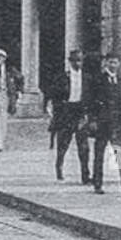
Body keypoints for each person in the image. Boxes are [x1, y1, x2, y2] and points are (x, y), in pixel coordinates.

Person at [91, 53, 121, 196]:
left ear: (119, 64)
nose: (112, 65)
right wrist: (93, 120)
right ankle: (98, 184)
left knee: (120, 155)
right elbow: (91, 100)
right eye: (110, 62)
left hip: (118, 123)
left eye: (115, 62)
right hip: (102, 123)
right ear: (105, 63)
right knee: (99, 154)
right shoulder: (98, 80)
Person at [47, 49, 91, 183]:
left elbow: (89, 97)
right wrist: (58, 112)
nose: (78, 63)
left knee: (84, 146)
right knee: (63, 144)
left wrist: (86, 113)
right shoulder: (62, 77)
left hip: (80, 111)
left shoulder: (87, 78)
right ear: (70, 62)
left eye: (80, 60)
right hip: (66, 111)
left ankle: (85, 175)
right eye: (75, 60)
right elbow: (55, 96)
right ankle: (59, 168)